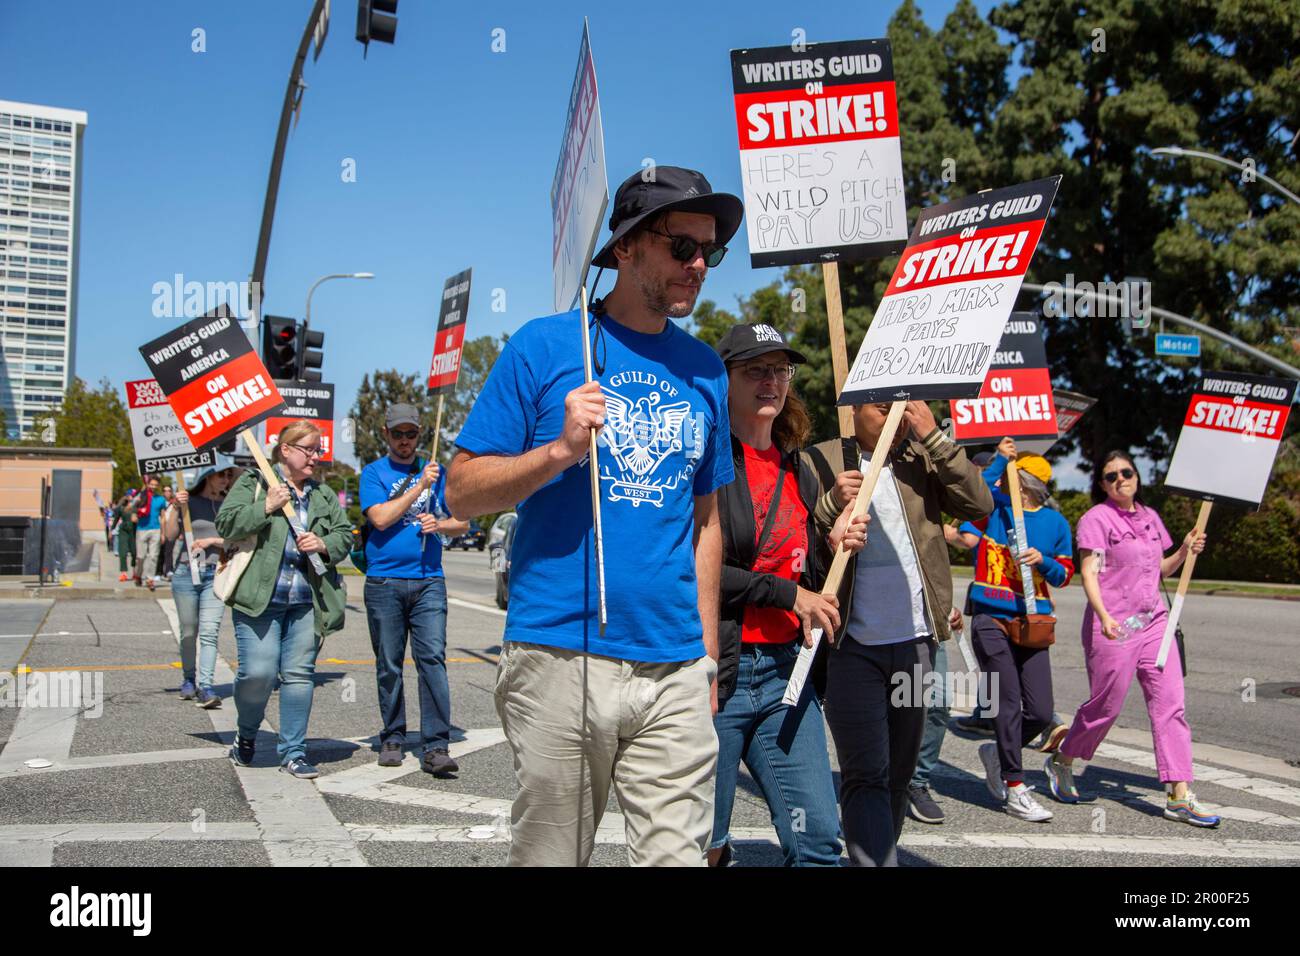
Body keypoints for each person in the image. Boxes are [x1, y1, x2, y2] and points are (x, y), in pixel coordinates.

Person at [447, 166, 741, 866]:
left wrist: (703, 658)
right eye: (682, 247)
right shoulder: (546, 346)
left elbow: (706, 522)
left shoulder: (706, 369)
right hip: (559, 654)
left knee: (677, 859)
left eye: (710, 252)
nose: (698, 266)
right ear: (629, 247)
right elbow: (460, 492)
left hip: (672, 664)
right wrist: (557, 452)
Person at [804, 401, 992, 866]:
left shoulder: (921, 457)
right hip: (851, 647)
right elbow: (797, 538)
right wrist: (829, 505)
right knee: (865, 771)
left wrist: (934, 438)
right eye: (882, 406)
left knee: (899, 774)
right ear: (853, 406)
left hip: (915, 645)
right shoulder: (820, 458)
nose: (895, 415)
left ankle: (877, 852)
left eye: (903, 407)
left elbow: (979, 504)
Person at [709, 323, 868, 867]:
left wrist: (831, 548)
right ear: (724, 379)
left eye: (780, 370)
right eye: (755, 369)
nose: (771, 381)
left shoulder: (799, 469)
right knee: (701, 845)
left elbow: (807, 579)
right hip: (717, 677)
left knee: (820, 843)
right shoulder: (703, 464)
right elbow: (696, 571)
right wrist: (789, 596)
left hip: (785, 676)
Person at [1043, 451, 1218, 827]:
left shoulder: (1151, 517)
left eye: (1126, 472)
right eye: (1111, 476)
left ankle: (1179, 794)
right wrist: (1104, 616)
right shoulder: (1095, 519)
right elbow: (1090, 571)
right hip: (1115, 625)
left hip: (1155, 621)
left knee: (1170, 704)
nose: (1120, 479)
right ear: (1102, 484)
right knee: (1105, 707)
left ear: (1136, 476)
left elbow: (1161, 570)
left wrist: (1186, 549)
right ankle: (1063, 759)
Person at [215, 421, 352, 778]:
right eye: (309, 449)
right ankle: (246, 733)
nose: (316, 457)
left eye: (318, 450)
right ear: (286, 450)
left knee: (298, 675)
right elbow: (227, 524)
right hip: (259, 599)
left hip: (307, 600)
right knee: (257, 673)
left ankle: (294, 751)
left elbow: (344, 536)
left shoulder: (321, 495)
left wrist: (324, 545)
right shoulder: (255, 482)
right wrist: (266, 507)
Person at [963, 439, 1074, 823]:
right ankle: (1014, 786)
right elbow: (973, 498)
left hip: (1032, 621)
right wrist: (998, 461)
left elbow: (1064, 575)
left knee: (1041, 711)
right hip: (990, 617)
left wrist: (1042, 562)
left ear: (1027, 482)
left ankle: (998, 753)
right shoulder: (994, 508)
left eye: (1016, 474)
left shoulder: (1055, 523)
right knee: (1007, 704)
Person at [360, 403, 470, 774]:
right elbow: (380, 517)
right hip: (384, 580)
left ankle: (436, 744)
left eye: (411, 433)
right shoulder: (373, 473)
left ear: (420, 434)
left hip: (428, 581)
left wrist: (438, 523)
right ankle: (392, 735)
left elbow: (463, 523)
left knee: (432, 661)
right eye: (397, 433)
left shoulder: (438, 472)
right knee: (389, 663)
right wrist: (419, 486)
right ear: (386, 434)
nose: (405, 440)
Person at [164, 459, 238, 708]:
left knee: (209, 631)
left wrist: (212, 541)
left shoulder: (229, 506)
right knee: (188, 631)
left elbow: (238, 539)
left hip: (215, 574)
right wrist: (176, 507)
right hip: (186, 572)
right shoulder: (190, 503)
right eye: (222, 475)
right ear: (208, 476)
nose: (226, 480)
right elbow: (170, 535)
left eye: (229, 475)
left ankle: (206, 686)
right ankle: (188, 679)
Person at [130, 476, 167, 590]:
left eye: (156, 485)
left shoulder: (161, 499)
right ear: (148, 484)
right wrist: (134, 514)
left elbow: (163, 517)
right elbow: (132, 507)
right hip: (142, 529)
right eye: (152, 484)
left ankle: (150, 579)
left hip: (155, 529)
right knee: (140, 556)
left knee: (153, 556)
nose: (153, 487)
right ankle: (138, 575)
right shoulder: (141, 496)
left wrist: (163, 533)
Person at [112, 494, 138, 583]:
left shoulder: (135, 507)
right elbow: (116, 519)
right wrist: (111, 530)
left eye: (131, 496)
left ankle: (135, 572)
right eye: (128, 496)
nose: (129, 497)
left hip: (133, 530)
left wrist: (136, 518)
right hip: (123, 530)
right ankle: (123, 573)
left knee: (134, 552)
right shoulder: (120, 508)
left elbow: (140, 517)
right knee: (122, 552)